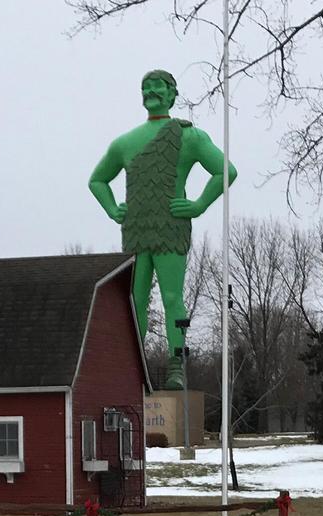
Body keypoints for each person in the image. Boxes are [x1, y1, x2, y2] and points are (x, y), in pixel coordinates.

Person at [87, 69, 237, 390]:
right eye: (146, 87)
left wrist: (199, 204)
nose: (151, 92)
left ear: (172, 94)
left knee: (171, 296)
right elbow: (97, 180)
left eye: (158, 86)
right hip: (137, 230)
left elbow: (226, 171)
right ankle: (133, 364)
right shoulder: (125, 143)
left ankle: (176, 364)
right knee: (134, 298)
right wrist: (113, 209)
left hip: (170, 227)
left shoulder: (188, 137)